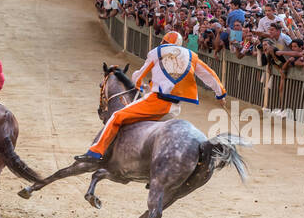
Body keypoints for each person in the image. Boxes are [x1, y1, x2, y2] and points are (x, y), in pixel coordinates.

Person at [78, 31, 225, 161]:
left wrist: (141, 86)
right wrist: (220, 94)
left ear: (163, 42)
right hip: (174, 109)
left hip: (156, 102)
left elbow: (138, 76)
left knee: (116, 116)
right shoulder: (191, 56)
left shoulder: (157, 52)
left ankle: (95, 152)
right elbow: (209, 75)